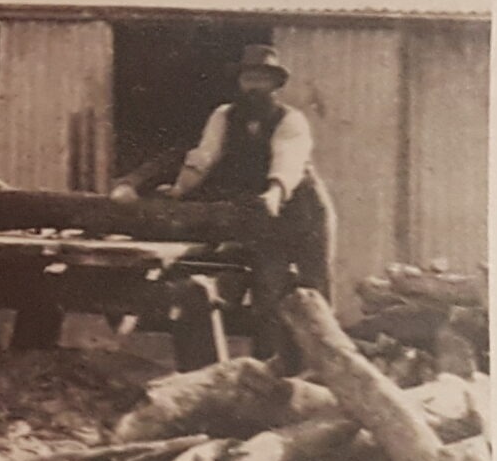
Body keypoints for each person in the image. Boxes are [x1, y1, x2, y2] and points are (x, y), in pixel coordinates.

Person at [116, 43, 335, 354]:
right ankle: (267, 371)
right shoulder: (224, 116)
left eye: (262, 80)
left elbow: (288, 161)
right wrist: (180, 190)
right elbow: (204, 157)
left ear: (275, 84)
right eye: (249, 79)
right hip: (265, 215)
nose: (255, 87)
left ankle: (322, 366)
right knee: (268, 292)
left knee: (314, 290)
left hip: (303, 210)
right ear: (240, 82)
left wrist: (274, 192)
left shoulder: (291, 120)